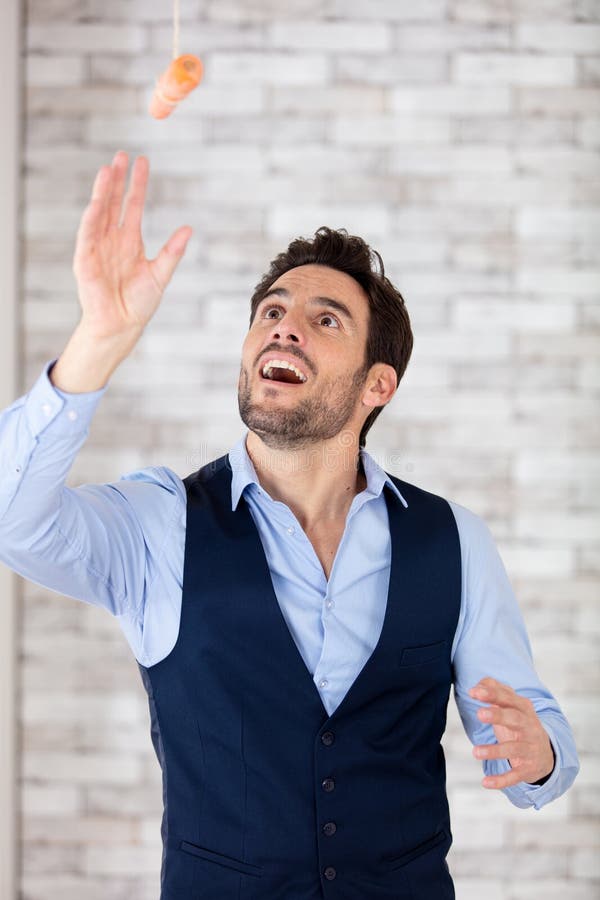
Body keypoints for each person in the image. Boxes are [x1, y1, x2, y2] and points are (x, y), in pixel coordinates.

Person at [0, 151, 579, 900]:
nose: (284, 329)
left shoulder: (452, 542)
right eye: (271, 312)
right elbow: (14, 519)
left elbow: (542, 742)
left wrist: (536, 754)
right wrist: (98, 341)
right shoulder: (159, 524)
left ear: (379, 385)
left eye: (323, 319)